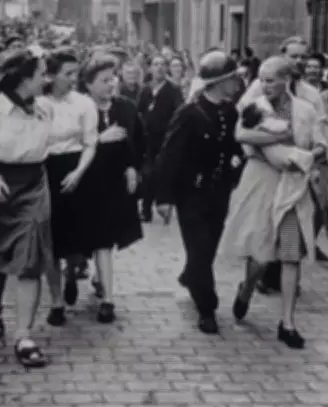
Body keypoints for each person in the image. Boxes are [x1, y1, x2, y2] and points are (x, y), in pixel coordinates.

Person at [225, 56, 328, 348]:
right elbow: (241, 136)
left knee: (290, 253)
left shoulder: (306, 110)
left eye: (271, 79)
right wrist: (275, 142)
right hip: (262, 183)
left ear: (287, 80)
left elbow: (321, 143)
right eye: (261, 79)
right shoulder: (254, 107)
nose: (264, 84)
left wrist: (313, 157)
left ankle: (287, 322)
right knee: (259, 255)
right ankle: (246, 289)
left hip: (293, 189)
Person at [0, 50, 54, 368]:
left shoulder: (44, 109)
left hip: (33, 186)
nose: (46, 79)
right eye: (41, 74)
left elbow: (53, 145)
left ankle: (24, 335)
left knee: (31, 259)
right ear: (23, 78)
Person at [155, 50, 244, 335]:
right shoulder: (190, 112)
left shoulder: (230, 111)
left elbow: (234, 147)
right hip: (190, 194)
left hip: (218, 192)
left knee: (209, 247)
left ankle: (191, 275)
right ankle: (207, 308)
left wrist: (236, 166)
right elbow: (169, 156)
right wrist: (164, 198)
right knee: (200, 247)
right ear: (218, 81)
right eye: (232, 79)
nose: (236, 84)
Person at [76, 55, 144, 324]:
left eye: (112, 79)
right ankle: (79, 272)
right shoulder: (80, 109)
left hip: (114, 182)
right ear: (89, 84)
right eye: (104, 80)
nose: (110, 84)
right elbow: (68, 145)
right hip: (86, 181)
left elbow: (138, 141)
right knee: (84, 237)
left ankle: (108, 298)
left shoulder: (125, 108)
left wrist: (132, 167)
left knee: (106, 238)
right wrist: (98, 141)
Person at [42, 49, 98, 320]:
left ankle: (72, 272)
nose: (74, 79)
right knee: (50, 239)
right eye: (68, 74)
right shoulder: (39, 103)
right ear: (51, 75)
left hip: (76, 168)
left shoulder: (84, 104)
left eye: (76, 73)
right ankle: (55, 302)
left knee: (75, 239)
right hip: (45, 170)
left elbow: (90, 143)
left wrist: (79, 172)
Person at [137, 55, 183, 223]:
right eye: (156, 64)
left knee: (163, 173)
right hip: (148, 140)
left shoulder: (173, 90)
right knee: (148, 174)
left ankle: (163, 205)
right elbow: (138, 112)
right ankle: (146, 209)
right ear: (150, 68)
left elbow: (179, 113)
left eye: (163, 64)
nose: (159, 68)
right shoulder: (145, 90)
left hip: (166, 140)